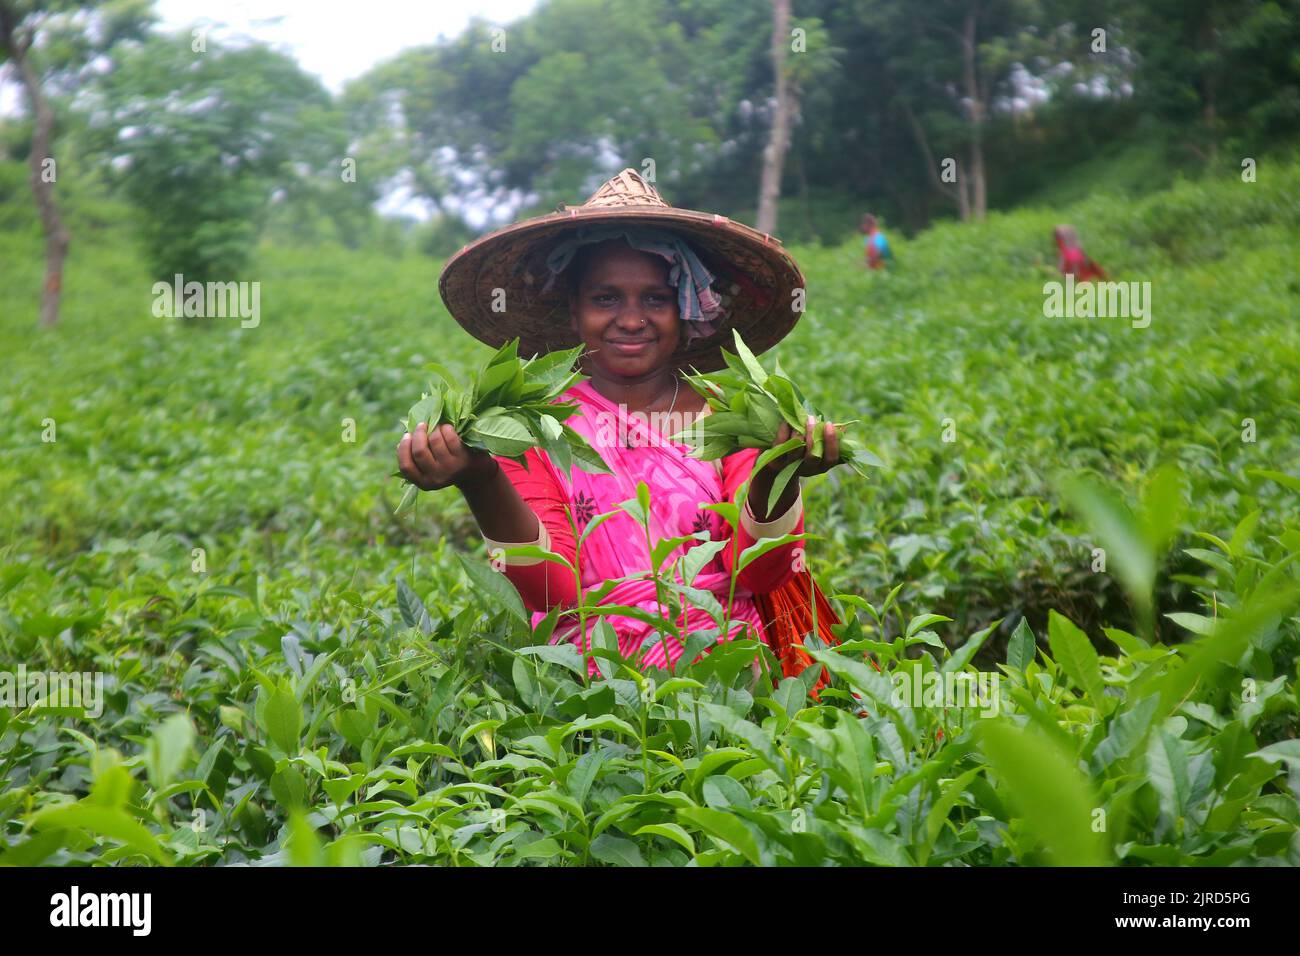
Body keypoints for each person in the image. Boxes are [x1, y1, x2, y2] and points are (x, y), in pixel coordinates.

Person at [397, 168, 843, 692]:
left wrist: (779, 472)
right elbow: (551, 591)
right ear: (574, 310)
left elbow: (758, 574)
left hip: (729, 679)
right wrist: (480, 478)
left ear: (684, 307)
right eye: (605, 298)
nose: (631, 320)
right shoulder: (533, 427)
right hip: (586, 690)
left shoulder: (736, 417)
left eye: (655, 299)